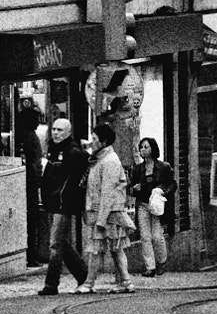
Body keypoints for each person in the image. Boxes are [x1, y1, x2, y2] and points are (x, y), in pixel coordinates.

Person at [77, 123, 135, 294]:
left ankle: (89, 283)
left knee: (98, 249)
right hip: (106, 212)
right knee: (115, 249)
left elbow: (108, 192)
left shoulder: (109, 161)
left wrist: (101, 220)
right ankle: (125, 281)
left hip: (108, 214)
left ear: (103, 141)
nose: (91, 142)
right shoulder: (101, 159)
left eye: (94, 139)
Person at [38, 118, 88, 295]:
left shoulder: (73, 152)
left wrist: (71, 201)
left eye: (60, 130)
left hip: (63, 204)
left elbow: (75, 181)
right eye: (54, 129)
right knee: (61, 242)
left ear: (68, 132)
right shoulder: (53, 149)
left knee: (55, 245)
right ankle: (83, 275)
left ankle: (51, 284)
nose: (56, 133)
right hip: (53, 202)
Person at [130, 137, 177, 277]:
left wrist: (163, 193)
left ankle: (162, 261)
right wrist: (135, 188)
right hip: (143, 205)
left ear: (153, 149)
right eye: (141, 147)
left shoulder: (164, 167)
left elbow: (173, 184)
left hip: (157, 205)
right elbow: (130, 188)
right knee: (145, 236)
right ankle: (150, 267)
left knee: (157, 236)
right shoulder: (137, 169)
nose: (143, 150)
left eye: (146, 147)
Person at [18, 107, 44, 268]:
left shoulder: (21, 135)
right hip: (31, 182)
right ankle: (32, 255)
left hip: (26, 181)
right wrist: (39, 179)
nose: (38, 123)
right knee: (32, 218)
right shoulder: (31, 137)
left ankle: (32, 254)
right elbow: (36, 162)